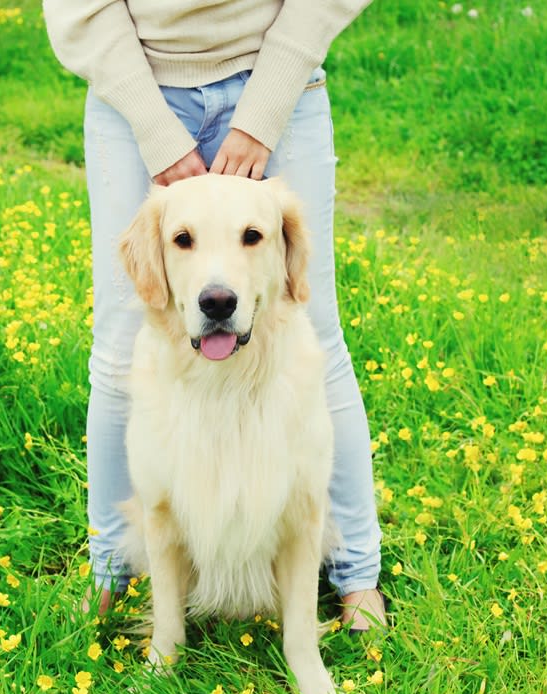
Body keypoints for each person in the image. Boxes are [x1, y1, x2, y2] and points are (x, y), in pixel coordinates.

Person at [42, 0, 385, 630]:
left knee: (315, 330)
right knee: (120, 346)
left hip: (279, 72)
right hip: (133, 88)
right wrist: (153, 126)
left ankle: (358, 576)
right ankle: (112, 575)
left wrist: (265, 108)